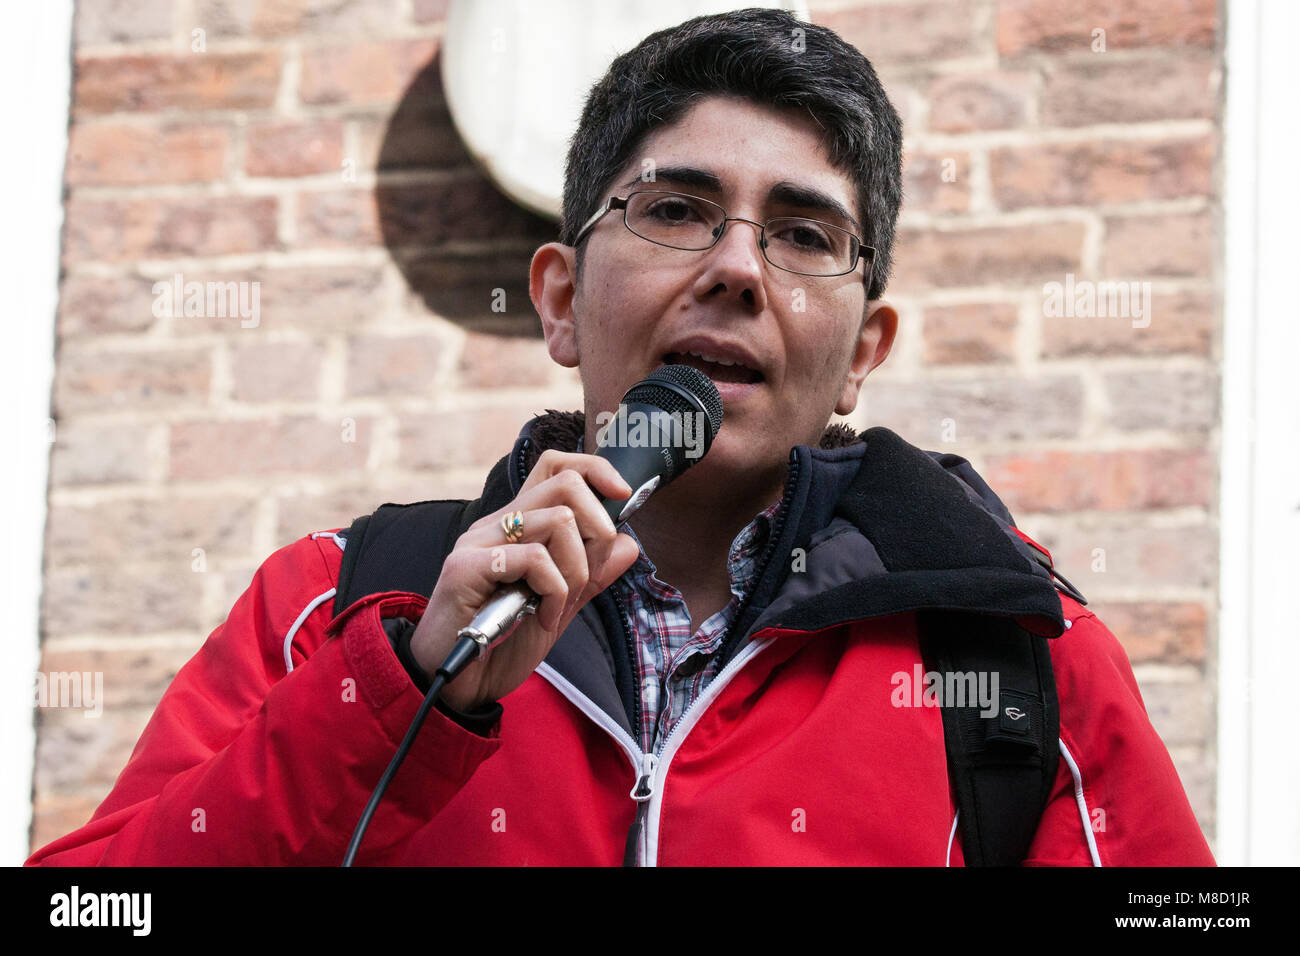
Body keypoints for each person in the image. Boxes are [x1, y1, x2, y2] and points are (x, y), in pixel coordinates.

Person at [26, 7, 1214, 866]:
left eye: (804, 235)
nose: (738, 266)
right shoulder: (336, 608)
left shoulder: (1013, 659)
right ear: (555, 299)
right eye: (677, 210)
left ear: (862, 352)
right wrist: (399, 696)